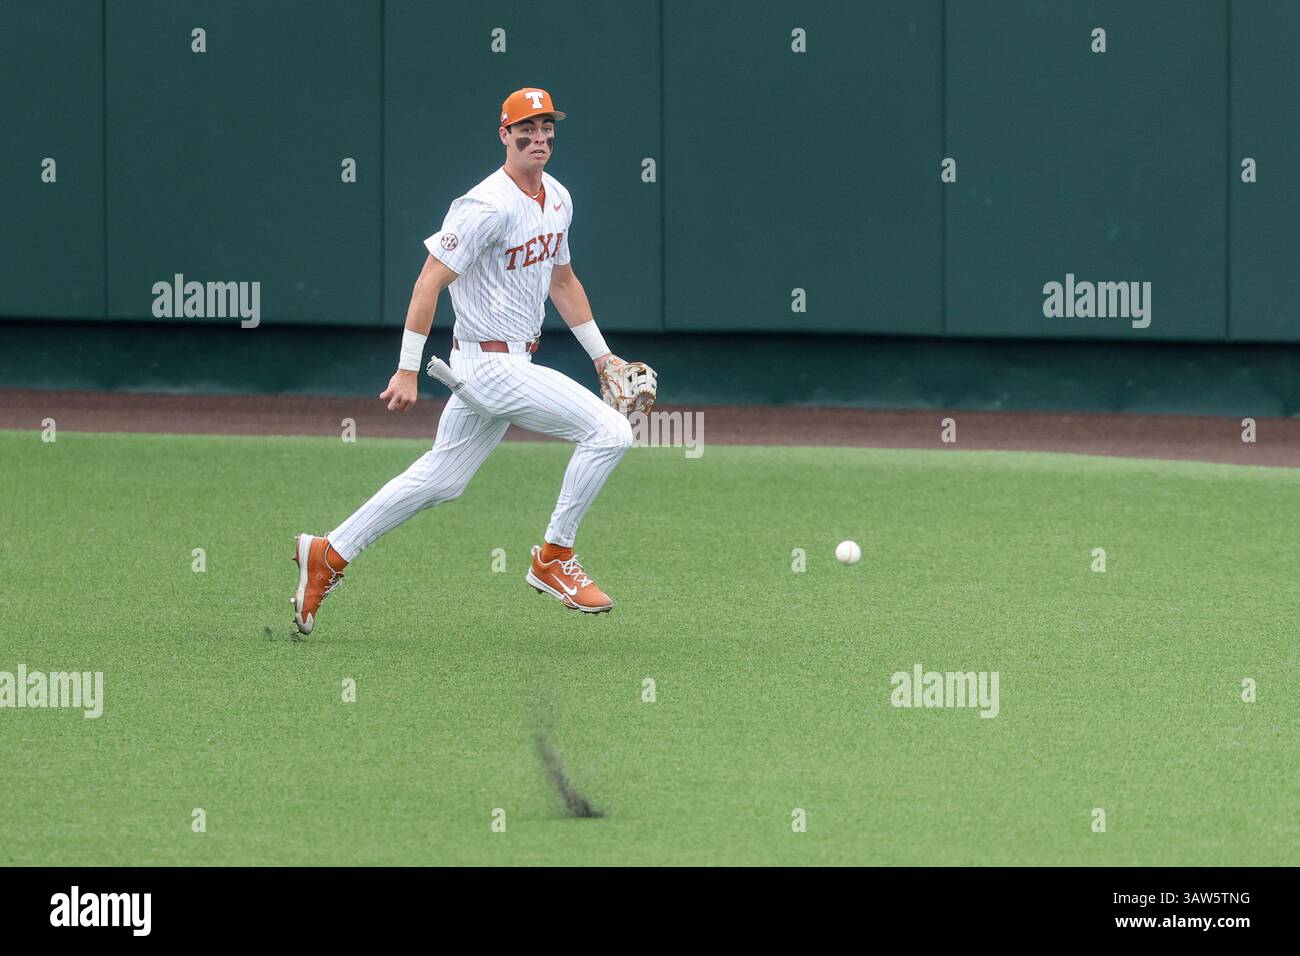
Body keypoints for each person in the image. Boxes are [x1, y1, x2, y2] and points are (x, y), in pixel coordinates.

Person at [291, 87, 634, 634]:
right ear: (504, 134)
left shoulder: (560, 198)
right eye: (526, 128)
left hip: (507, 364)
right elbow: (429, 281)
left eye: (547, 127)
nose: (538, 137)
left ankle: (330, 553)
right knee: (612, 433)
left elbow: (562, 281)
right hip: (489, 367)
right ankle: (552, 558)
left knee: (441, 480)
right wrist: (407, 367)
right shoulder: (484, 205)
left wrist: (603, 357)